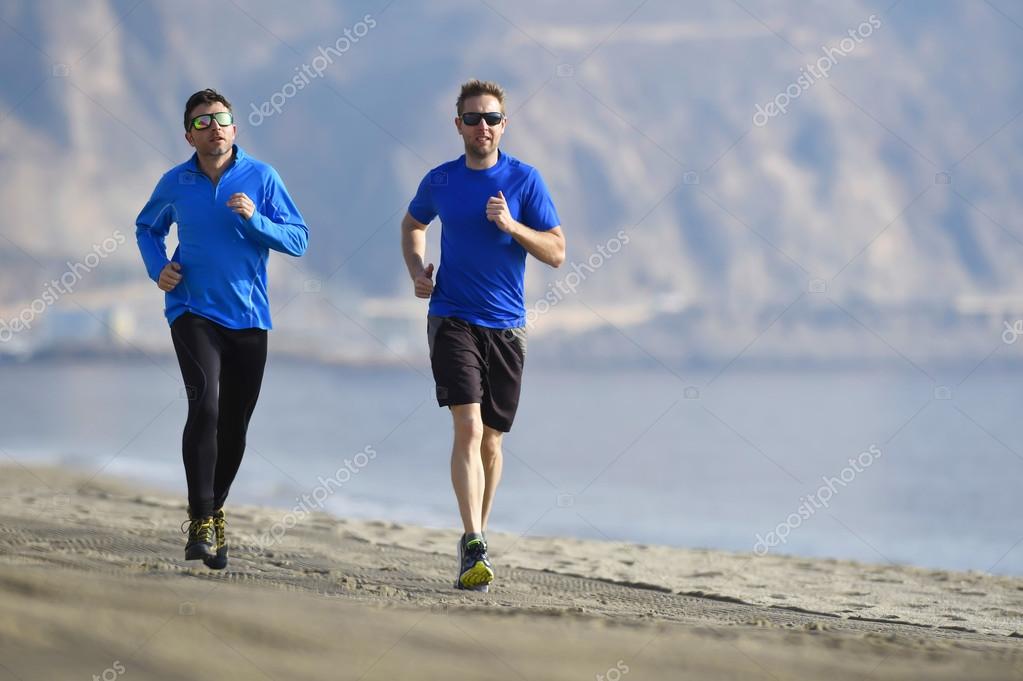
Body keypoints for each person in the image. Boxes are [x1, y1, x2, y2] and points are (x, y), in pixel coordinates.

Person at [401, 79, 566, 591]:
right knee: (469, 428)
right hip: (451, 316)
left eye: (491, 118)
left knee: (493, 441)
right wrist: (416, 270)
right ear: (459, 126)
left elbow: (557, 252)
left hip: (507, 326)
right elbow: (412, 224)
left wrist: (513, 226)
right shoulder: (442, 180)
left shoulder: (525, 179)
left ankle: (479, 539)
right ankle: (473, 539)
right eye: (473, 118)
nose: (483, 126)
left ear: (503, 124)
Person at [135, 88, 309, 569]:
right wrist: (158, 269)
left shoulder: (262, 177)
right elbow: (147, 228)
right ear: (188, 134)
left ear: (234, 127)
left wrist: (256, 222)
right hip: (191, 310)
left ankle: (215, 511)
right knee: (205, 403)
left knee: (235, 424)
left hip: (250, 317)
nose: (213, 127)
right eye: (202, 121)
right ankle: (200, 520)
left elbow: (298, 239)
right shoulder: (176, 182)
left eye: (221, 118)